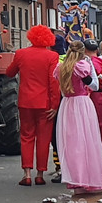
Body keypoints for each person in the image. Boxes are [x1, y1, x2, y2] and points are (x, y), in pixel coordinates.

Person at [4, 25, 61, 186]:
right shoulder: (52, 56)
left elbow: (9, 72)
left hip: (26, 101)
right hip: (45, 104)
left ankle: (26, 173)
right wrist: (55, 105)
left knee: (26, 137)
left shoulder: (21, 54)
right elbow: (53, 83)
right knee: (43, 139)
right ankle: (40, 174)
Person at [55, 41, 102, 194]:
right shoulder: (83, 65)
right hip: (82, 104)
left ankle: (75, 179)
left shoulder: (61, 67)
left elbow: (61, 90)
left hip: (67, 104)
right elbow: (94, 86)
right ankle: (89, 178)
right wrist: (89, 75)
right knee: (88, 140)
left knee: (72, 143)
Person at [84, 38, 102, 161]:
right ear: (96, 50)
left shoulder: (87, 63)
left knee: (97, 131)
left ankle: (100, 160)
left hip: (94, 98)